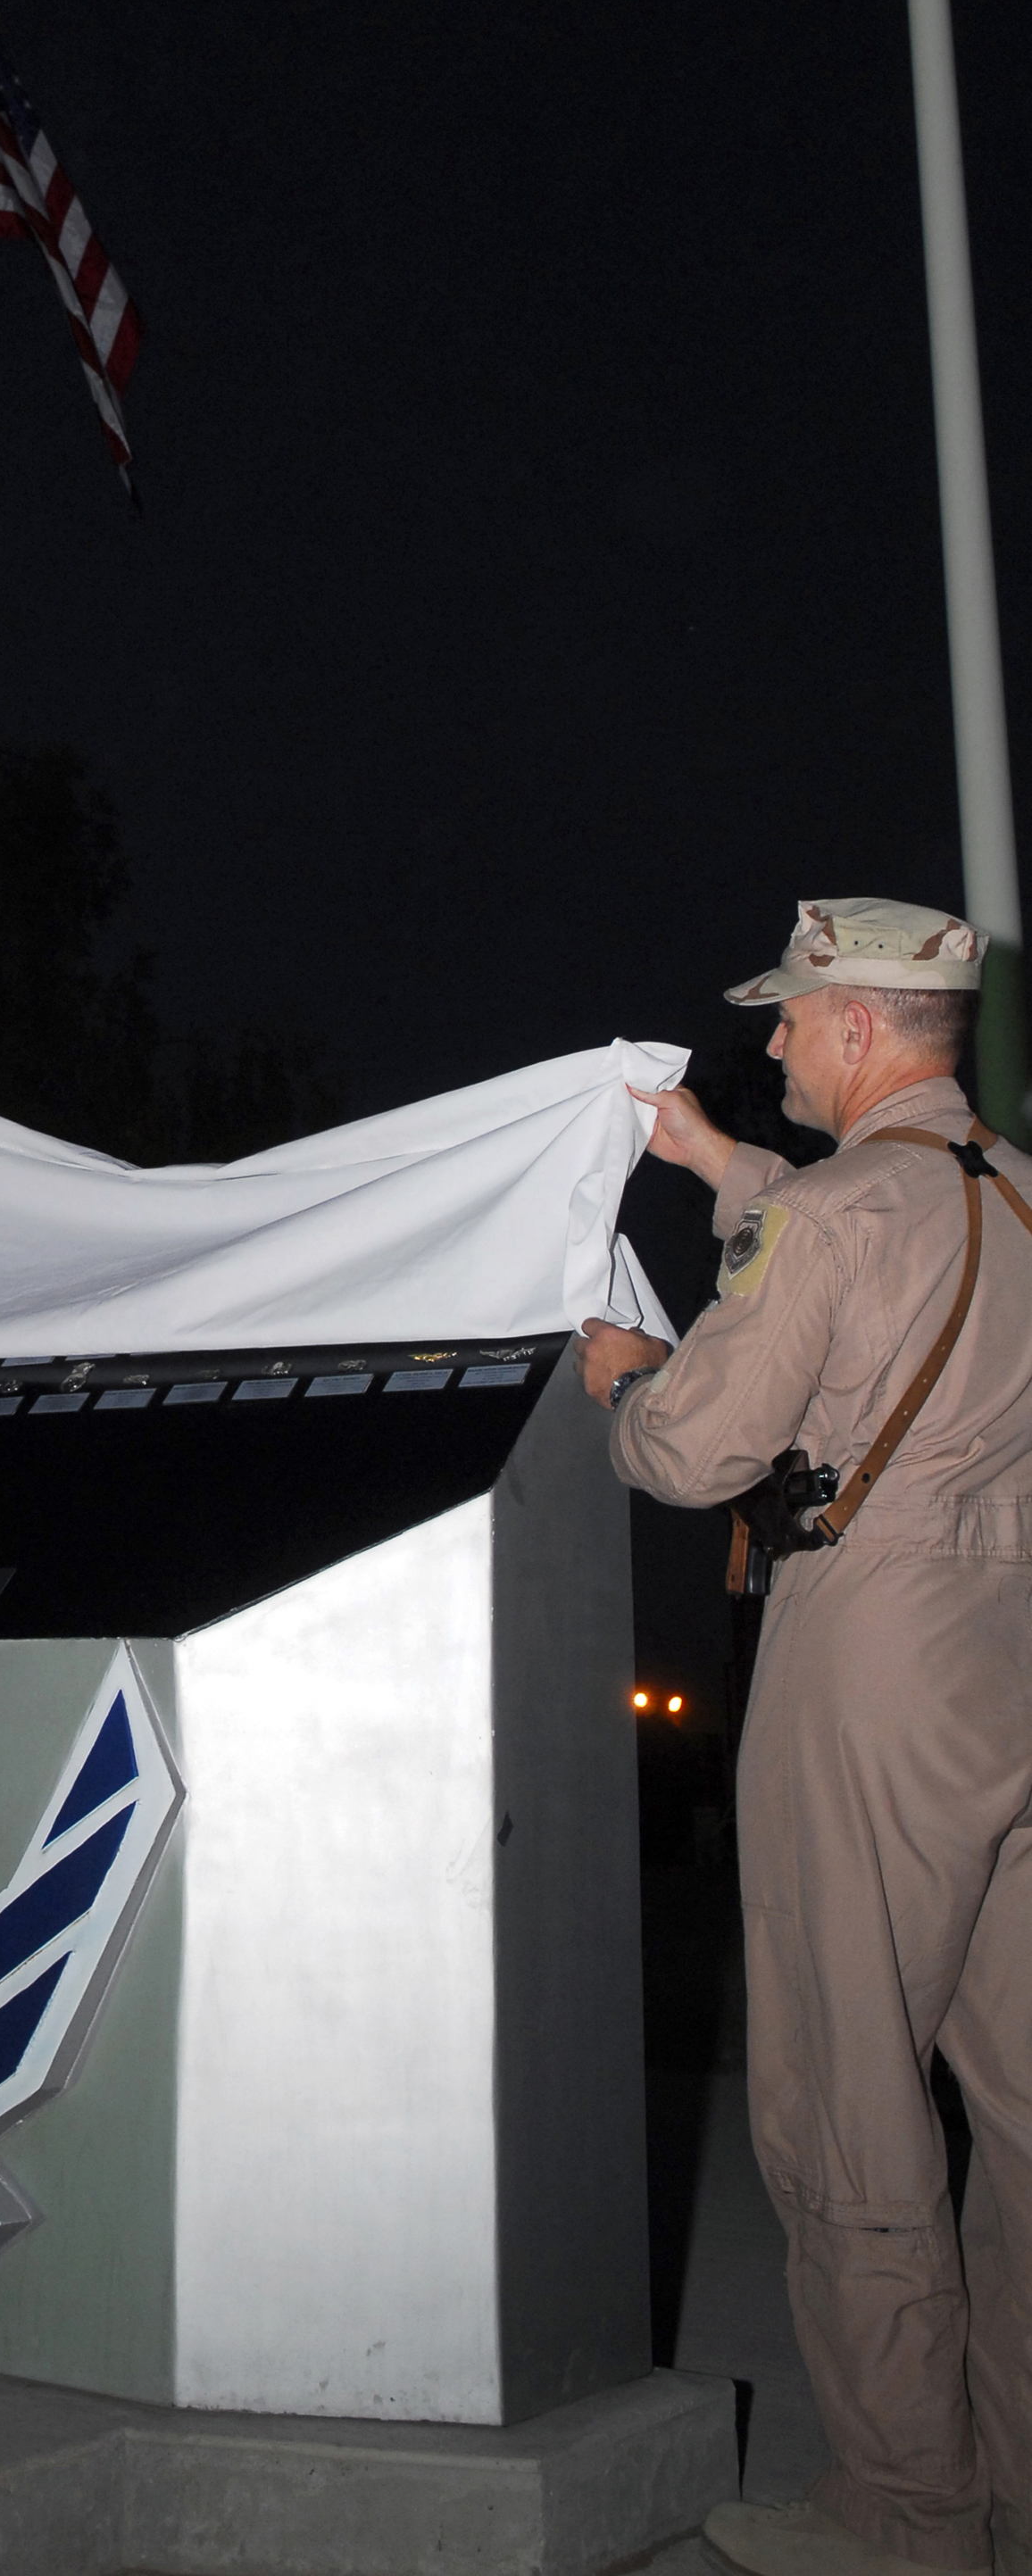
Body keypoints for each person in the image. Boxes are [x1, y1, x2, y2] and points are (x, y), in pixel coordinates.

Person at [575, 899, 1032, 2576]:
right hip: (1020, 1641)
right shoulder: (1007, 1188)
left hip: (884, 1657)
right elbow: (906, 1248)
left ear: (852, 1028)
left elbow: (697, 1451)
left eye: (787, 1021)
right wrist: (718, 1168)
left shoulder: (839, 1213)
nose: (766, 1048)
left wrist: (623, 1378)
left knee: (848, 2102)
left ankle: (910, 2519)